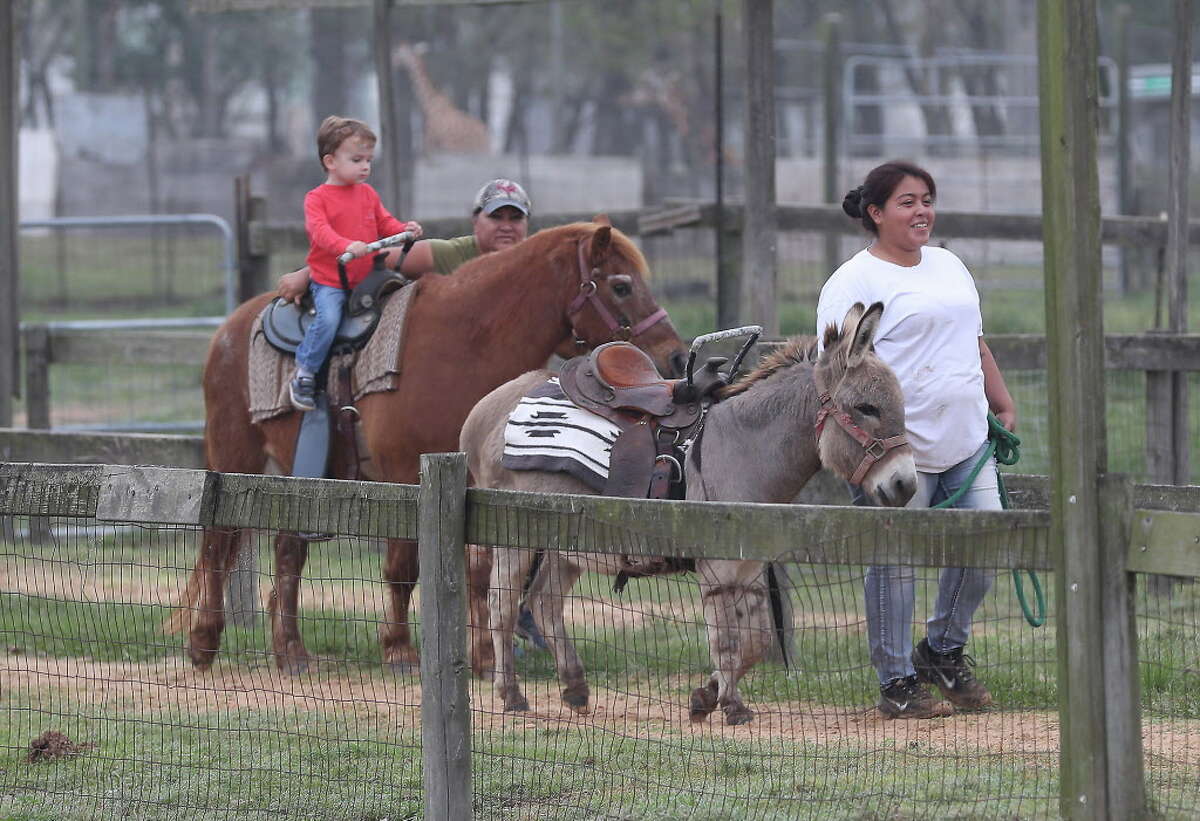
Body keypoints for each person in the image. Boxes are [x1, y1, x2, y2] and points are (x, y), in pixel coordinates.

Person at [815, 160, 1018, 721]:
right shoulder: (852, 283)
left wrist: (999, 400)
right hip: (896, 452)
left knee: (983, 553)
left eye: (926, 199)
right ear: (876, 214)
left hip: (968, 439)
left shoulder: (950, 265)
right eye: (907, 202)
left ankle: (943, 651)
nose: (922, 211)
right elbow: (839, 372)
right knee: (895, 564)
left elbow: (973, 342)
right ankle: (897, 680)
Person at [289, 115, 423, 411]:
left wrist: (404, 229)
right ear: (330, 162)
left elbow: (384, 222)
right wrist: (346, 246)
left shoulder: (367, 194)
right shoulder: (316, 199)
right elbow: (320, 232)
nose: (365, 166)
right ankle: (305, 371)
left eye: (368, 160)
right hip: (331, 281)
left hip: (368, 278)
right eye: (357, 159)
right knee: (329, 320)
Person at [276, 177, 532, 304]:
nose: (506, 226)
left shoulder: (536, 265)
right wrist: (308, 275)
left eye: (515, 218)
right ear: (475, 221)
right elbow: (371, 259)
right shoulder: (449, 255)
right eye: (496, 217)